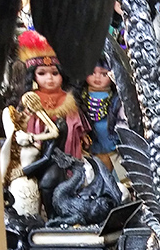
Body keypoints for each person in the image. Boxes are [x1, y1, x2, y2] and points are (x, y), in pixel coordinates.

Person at [16, 30, 90, 160]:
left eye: (55, 73)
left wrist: (82, 135)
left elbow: (76, 124)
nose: (49, 78)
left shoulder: (68, 100)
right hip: (38, 146)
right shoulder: (30, 99)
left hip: (67, 147)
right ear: (33, 76)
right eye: (42, 73)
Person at [78, 59, 123, 170]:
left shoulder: (117, 99)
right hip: (92, 142)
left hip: (111, 141)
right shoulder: (81, 97)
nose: (97, 78)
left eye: (104, 74)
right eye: (92, 73)